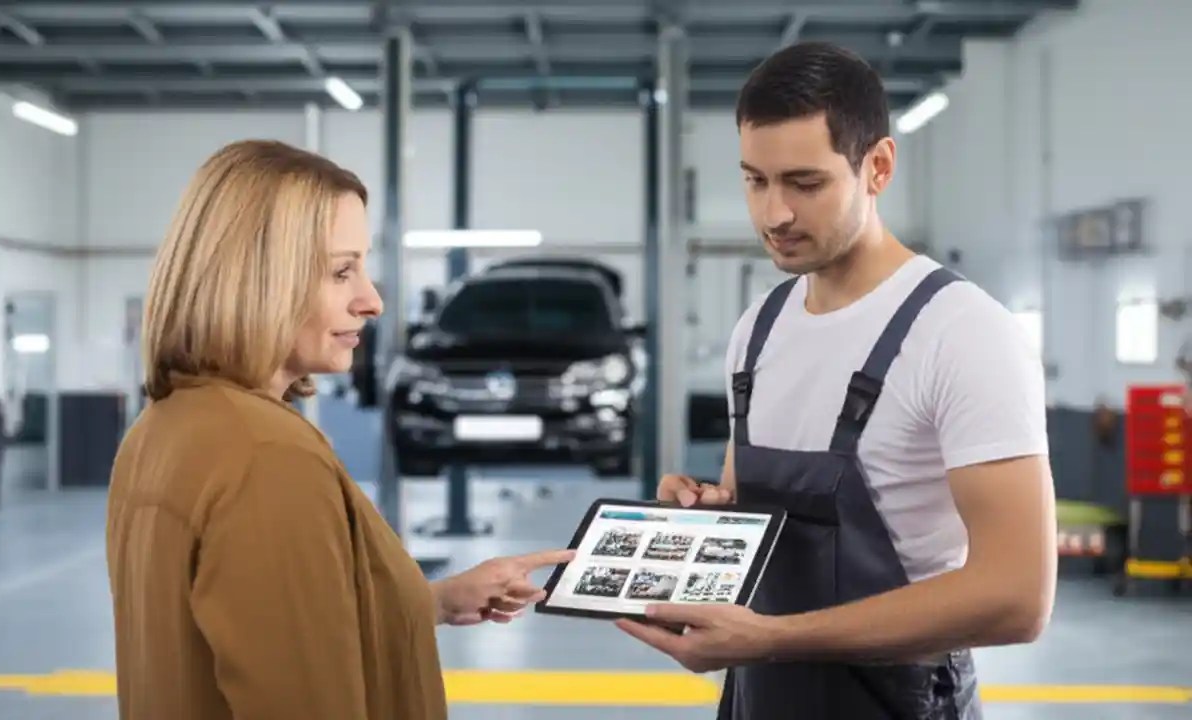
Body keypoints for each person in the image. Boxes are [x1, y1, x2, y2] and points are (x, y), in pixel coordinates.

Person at [616, 42, 1056, 719]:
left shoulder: (962, 331)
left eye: (804, 182)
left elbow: (1018, 596)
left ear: (876, 167)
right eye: (755, 181)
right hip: (762, 700)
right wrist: (706, 517)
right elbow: (758, 528)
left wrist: (774, 639)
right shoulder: (758, 327)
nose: (773, 215)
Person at [105, 139, 574, 720]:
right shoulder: (267, 455)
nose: (371, 300)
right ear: (258, 278)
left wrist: (434, 602)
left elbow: (266, 628)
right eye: (340, 271)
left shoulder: (167, 427)